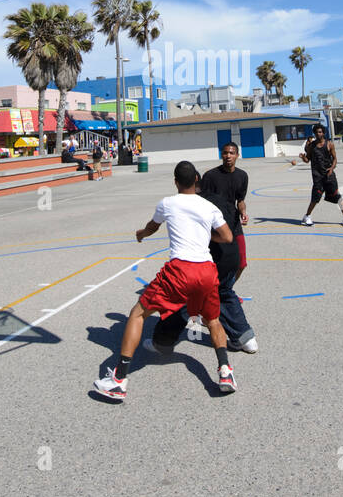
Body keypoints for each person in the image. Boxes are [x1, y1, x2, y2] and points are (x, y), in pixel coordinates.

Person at [93, 160, 236, 402]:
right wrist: (204, 235)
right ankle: (225, 372)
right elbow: (227, 236)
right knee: (212, 320)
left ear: (175, 182)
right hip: (207, 270)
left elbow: (152, 227)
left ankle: (118, 380)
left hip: (180, 271)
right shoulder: (208, 206)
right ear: (197, 181)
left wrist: (141, 234)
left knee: (137, 314)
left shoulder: (167, 203)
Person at [199, 142, 249, 285]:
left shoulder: (242, 176)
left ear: (237, 155)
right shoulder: (210, 176)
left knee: (241, 264)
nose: (228, 156)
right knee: (216, 264)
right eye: (225, 153)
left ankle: (226, 291)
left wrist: (243, 212)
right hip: (216, 226)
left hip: (234, 224)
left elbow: (240, 200)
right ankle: (217, 294)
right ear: (221, 155)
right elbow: (202, 202)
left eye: (232, 153)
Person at [300, 123, 343, 226]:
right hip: (317, 176)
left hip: (329, 175)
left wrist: (332, 168)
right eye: (316, 132)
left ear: (323, 133)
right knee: (315, 198)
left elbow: (335, 159)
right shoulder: (311, 146)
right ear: (314, 133)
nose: (318, 134)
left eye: (320, 132)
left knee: (337, 196)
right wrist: (302, 157)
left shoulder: (329, 144)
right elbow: (307, 160)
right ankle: (307, 216)